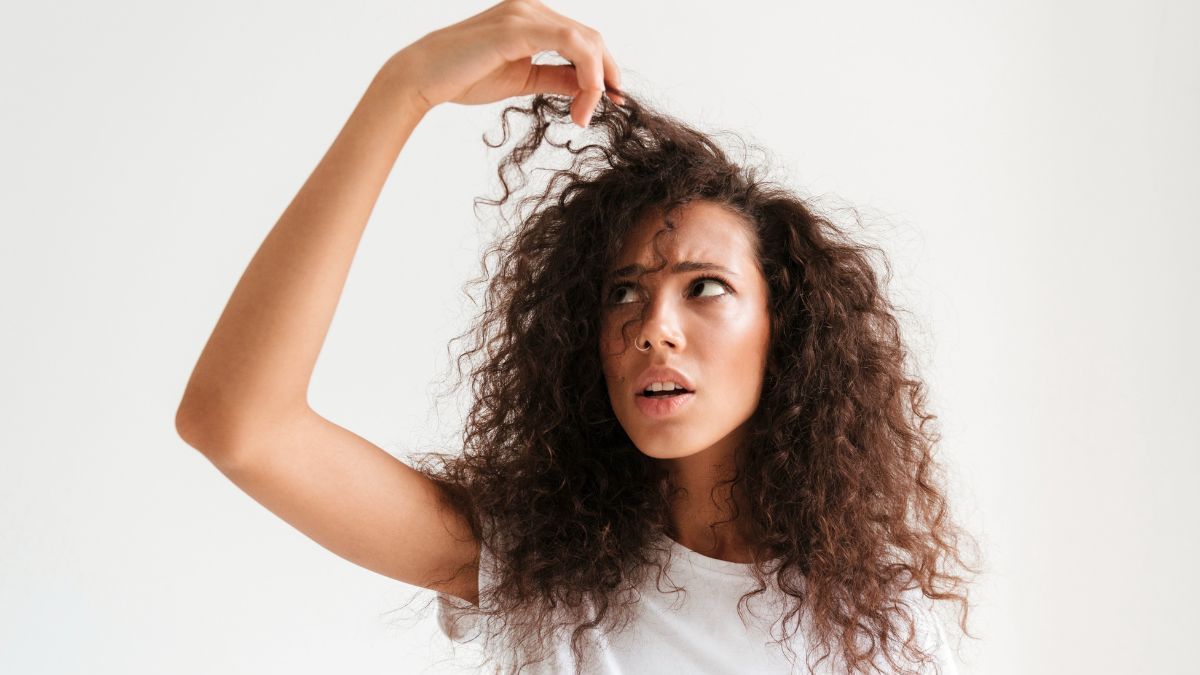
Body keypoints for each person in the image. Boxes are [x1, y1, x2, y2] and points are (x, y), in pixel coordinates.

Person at [175, 1, 978, 673]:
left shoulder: (882, 635)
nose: (653, 330)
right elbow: (241, 425)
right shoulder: (547, 571)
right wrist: (404, 89)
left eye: (706, 287)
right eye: (623, 294)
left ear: (788, 330)